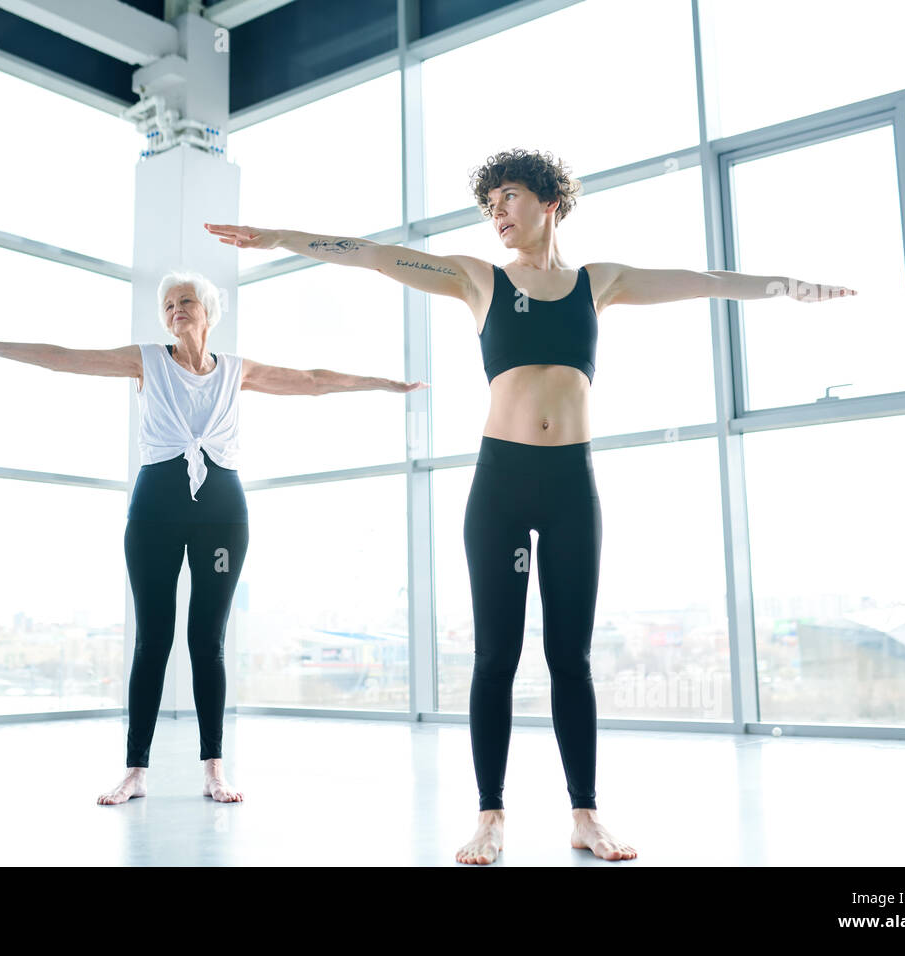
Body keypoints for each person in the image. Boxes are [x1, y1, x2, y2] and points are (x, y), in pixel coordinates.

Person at [205, 147, 856, 864]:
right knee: (497, 656)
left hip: (572, 484)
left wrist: (789, 285)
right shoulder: (476, 280)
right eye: (489, 207)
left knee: (569, 658)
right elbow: (370, 254)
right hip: (502, 484)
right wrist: (276, 238)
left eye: (508, 197)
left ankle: (584, 813)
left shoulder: (596, 283)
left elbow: (703, 281)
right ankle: (490, 815)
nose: (497, 215)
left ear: (548, 201)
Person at [0, 270, 427, 807]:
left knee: (208, 643)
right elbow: (61, 355)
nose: (175, 310)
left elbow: (315, 379)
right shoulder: (146, 361)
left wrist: (391, 386)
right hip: (156, 506)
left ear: (207, 311)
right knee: (152, 641)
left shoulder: (236, 371)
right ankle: (135, 770)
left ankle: (214, 768)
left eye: (185, 301)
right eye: (167, 304)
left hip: (223, 512)